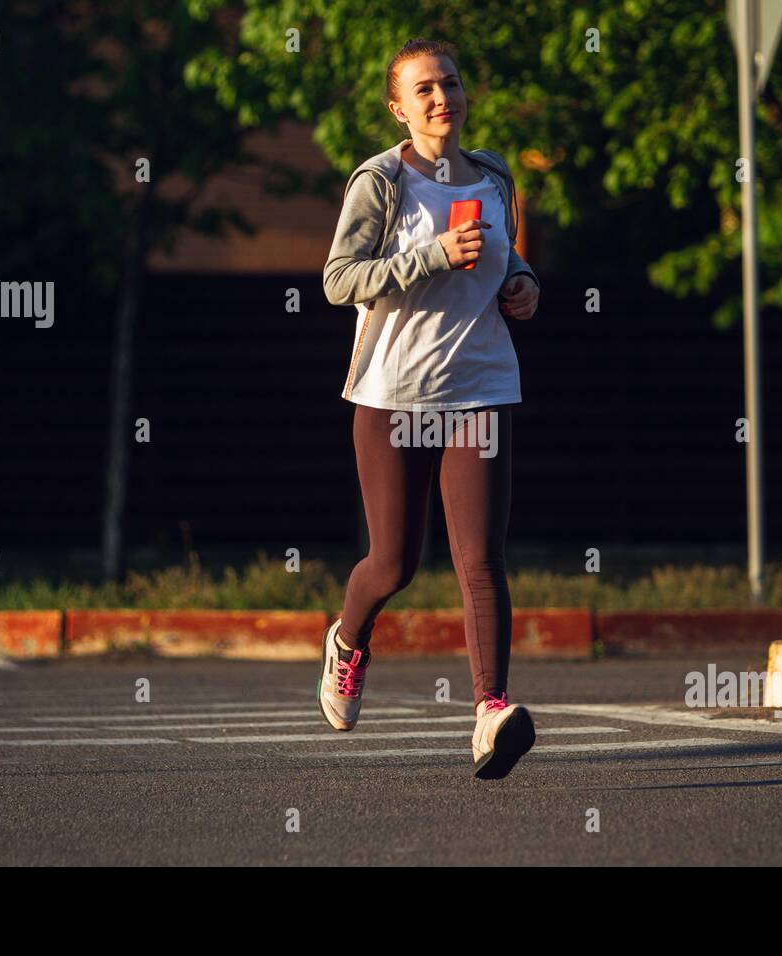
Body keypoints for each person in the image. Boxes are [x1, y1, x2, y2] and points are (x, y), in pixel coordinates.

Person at [317, 38, 539, 780]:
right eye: (424, 90)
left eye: (449, 83)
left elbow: (513, 260)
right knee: (394, 564)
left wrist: (524, 285)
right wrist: (433, 256)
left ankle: (490, 714)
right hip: (392, 396)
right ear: (398, 107)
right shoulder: (380, 181)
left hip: (481, 387)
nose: (441, 98)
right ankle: (348, 642)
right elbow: (339, 279)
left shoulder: (497, 174)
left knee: (481, 561)